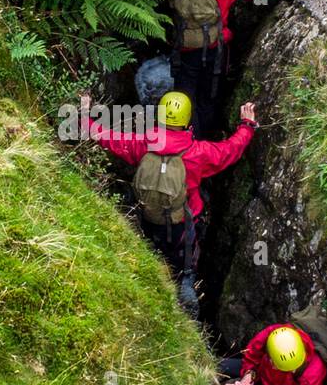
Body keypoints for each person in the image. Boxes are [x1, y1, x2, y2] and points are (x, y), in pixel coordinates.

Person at [80, 90, 257, 314]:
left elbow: (102, 135)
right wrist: (246, 126)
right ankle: (185, 295)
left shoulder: (142, 144)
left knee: (152, 254)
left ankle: (152, 290)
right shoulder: (197, 153)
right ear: (187, 121)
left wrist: (85, 113)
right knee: (184, 267)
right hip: (184, 225)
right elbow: (230, 150)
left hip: (147, 218)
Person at [149, 0, 277, 135]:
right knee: (209, 99)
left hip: (185, 48)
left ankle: (184, 143)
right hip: (217, 48)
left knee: (184, 97)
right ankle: (206, 146)